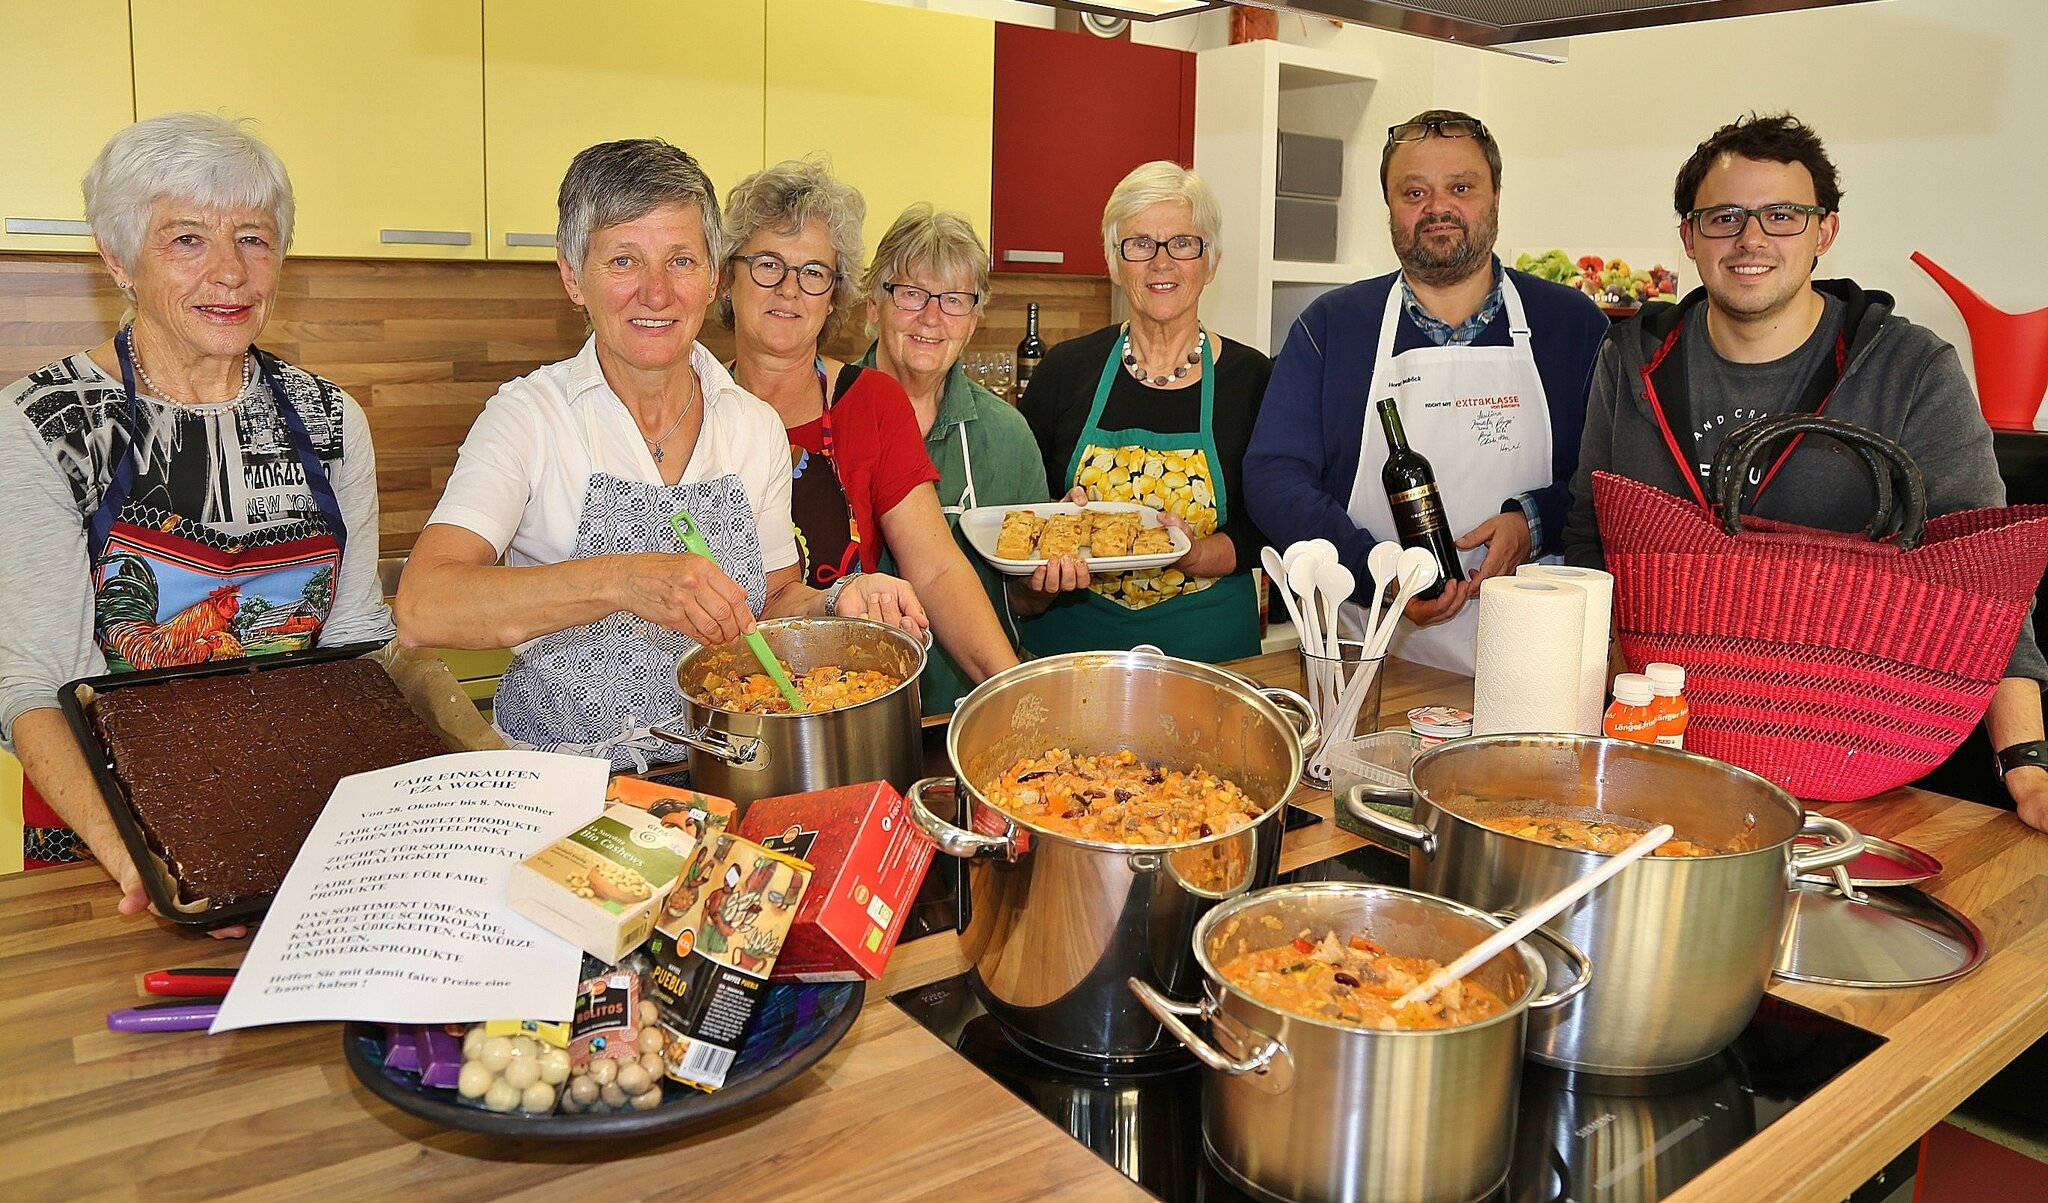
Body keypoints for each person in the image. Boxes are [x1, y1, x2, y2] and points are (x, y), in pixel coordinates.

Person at [1563, 112, 2047, 827]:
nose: (1751, 238)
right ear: (1689, 236)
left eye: (1782, 215)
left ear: (1825, 232)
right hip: (1660, 760)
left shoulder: (1910, 371)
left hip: (1859, 774)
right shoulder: (1632, 359)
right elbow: (1589, 541)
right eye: (1724, 216)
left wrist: (2029, 765)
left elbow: (1986, 579)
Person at [396, 140, 927, 769]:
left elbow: (777, 599)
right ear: (573, 276)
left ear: (711, 280)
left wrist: (840, 604)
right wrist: (622, 579)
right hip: (566, 787)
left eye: (680, 261)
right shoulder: (530, 418)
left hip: (726, 772)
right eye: (624, 260)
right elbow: (424, 606)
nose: (656, 293)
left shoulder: (751, 426)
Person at [0, 113, 394, 912]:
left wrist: (388, 825)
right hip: (107, 844)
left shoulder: (329, 419)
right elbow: (36, 684)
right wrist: (154, 874)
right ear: (118, 259)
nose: (231, 274)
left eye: (253, 238)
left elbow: (356, 643)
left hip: (292, 815)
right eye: (186, 240)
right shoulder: (47, 423)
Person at [1243, 110, 1608, 675]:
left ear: (1495, 196)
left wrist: (1532, 522)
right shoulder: (1333, 327)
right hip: (1373, 657)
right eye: (1414, 192)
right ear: (1390, 208)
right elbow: (1273, 475)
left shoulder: (1574, 326)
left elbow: (1614, 480)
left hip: (1537, 659)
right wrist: (1376, 569)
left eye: (1461, 187)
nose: (1438, 208)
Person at [719, 158, 1019, 699]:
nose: (789, 289)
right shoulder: (690, 410)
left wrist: (1009, 691)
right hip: (712, 704)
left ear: (834, 295)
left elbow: (936, 571)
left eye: (813, 272)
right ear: (726, 278)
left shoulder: (872, 402)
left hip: (848, 708)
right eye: (768, 264)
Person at [1015, 161, 1272, 662]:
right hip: (1073, 644)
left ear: (1211, 261)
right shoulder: (1065, 370)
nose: (1162, 262)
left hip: (1210, 650)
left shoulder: (1255, 380)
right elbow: (1020, 507)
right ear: (1115, 263)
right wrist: (1055, 526)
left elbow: (1268, 526)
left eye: (1182, 243)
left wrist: (1194, 554)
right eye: (1139, 244)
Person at [855, 204, 1047, 714]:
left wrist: (1045, 581)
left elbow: (1024, 602)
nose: (932, 318)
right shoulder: (822, 421)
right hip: (846, 716)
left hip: (972, 708)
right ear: (873, 304)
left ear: (975, 321)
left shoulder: (1009, 437)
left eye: (954, 300)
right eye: (911, 293)